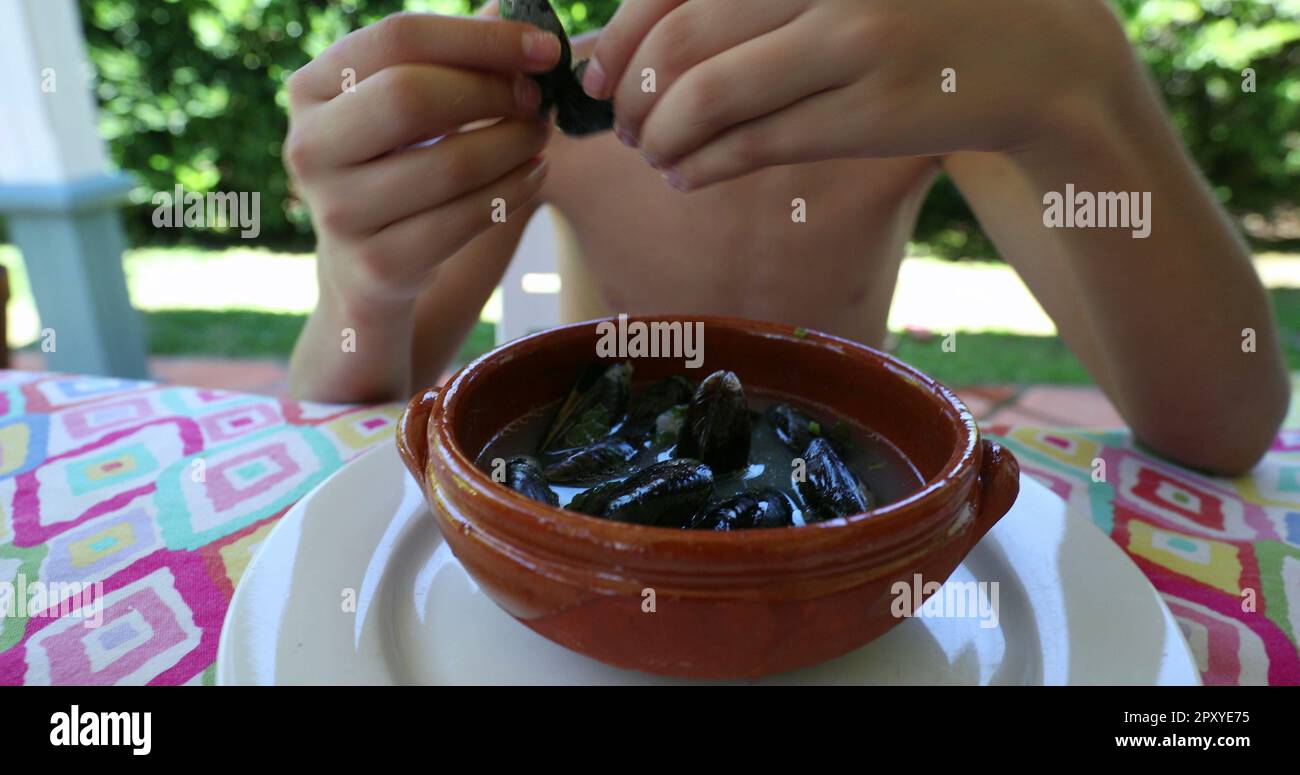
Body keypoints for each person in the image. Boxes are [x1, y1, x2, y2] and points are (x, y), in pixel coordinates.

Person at [284, 0, 1288, 475]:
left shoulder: (927, 99)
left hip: (840, 494)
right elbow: (357, 415)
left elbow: (1218, 427)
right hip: (610, 497)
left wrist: (1082, 84)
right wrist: (360, 286)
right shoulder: (557, 108)